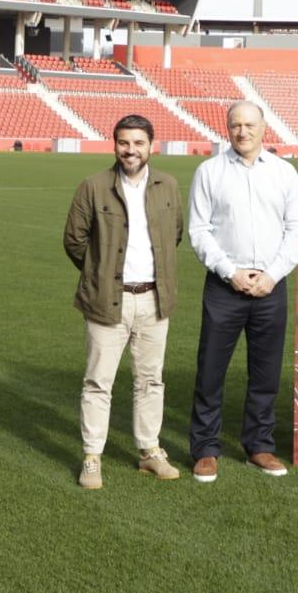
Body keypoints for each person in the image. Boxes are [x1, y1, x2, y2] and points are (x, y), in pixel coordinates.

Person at [186, 101, 298, 482]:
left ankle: (260, 445)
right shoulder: (209, 171)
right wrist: (230, 272)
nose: (243, 131)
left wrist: (271, 275)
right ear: (227, 128)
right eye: (236, 125)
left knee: (265, 371)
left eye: (250, 125)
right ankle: (205, 449)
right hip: (225, 285)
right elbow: (199, 230)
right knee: (210, 370)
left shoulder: (285, 174)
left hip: (271, 286)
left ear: (263, 127)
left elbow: (296, 230)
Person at [62, 114, 184, 490]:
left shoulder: (168, 186)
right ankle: (92, 457)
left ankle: (150, 452)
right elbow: (73, 240)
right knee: (98, 382)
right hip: (107, 301)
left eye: (138, 143)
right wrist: (100, 273)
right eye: (123, 143)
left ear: (151, 145)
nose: (130, 150)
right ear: (114, 144)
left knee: (151, 381)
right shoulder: (93, 186)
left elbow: (175, 234)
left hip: (154, 300)